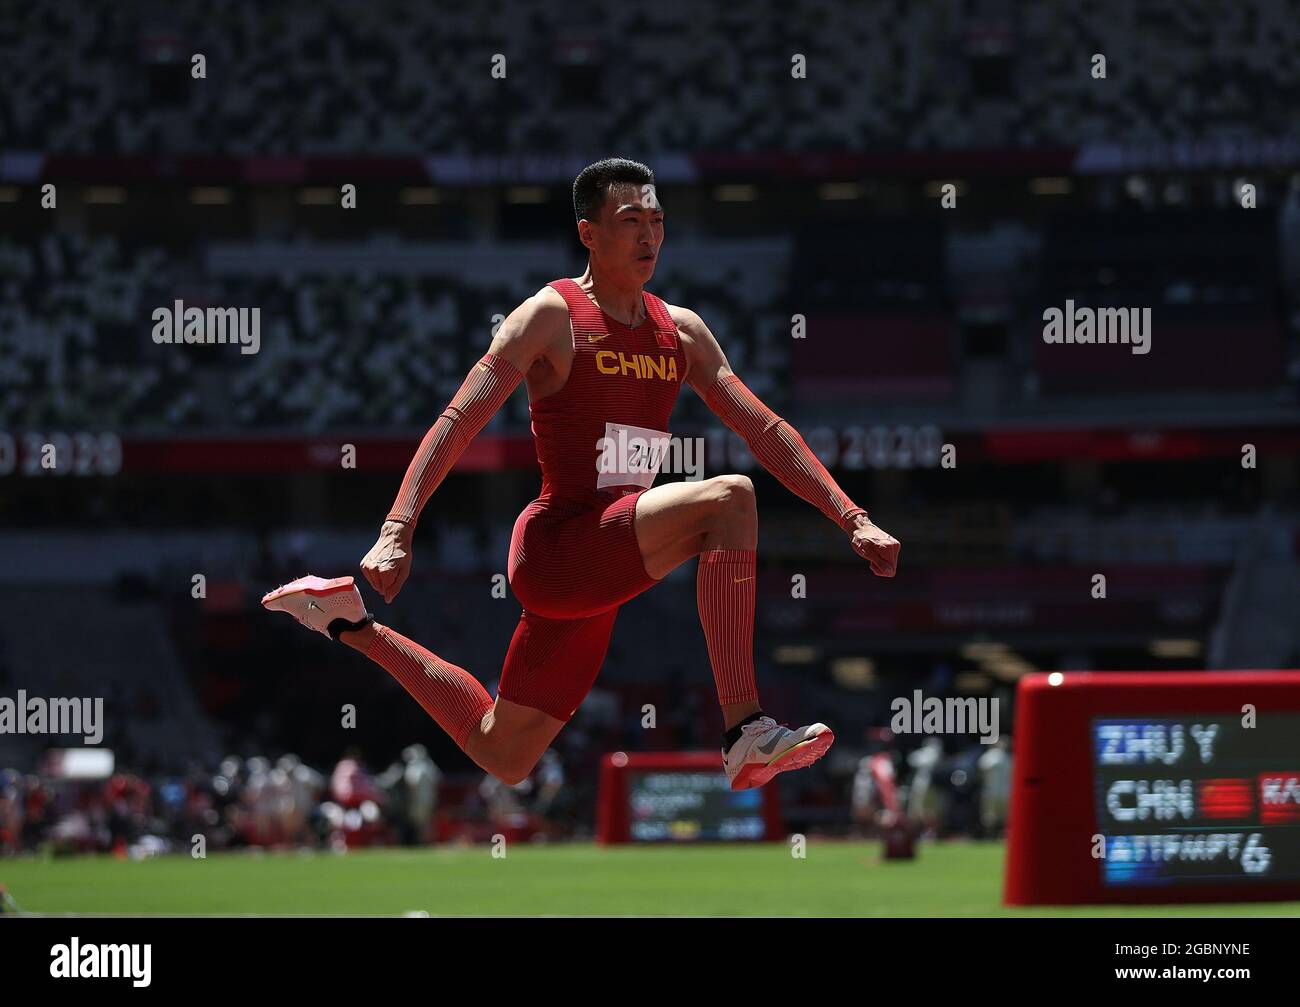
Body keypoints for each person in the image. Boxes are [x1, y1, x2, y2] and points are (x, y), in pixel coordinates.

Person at [264, 158, 900, 790]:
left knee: (504, 754)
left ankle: (344, 620)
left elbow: (765, 428)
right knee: (730, 498)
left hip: (606, 569)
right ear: (588, 232)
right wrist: (397, 526)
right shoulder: (550, 316)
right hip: (559, 548)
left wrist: (854, 517)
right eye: (631, 221)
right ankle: (745, 731)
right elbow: (460, 418)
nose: (649, 235)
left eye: (657, 220)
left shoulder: (681, 332)